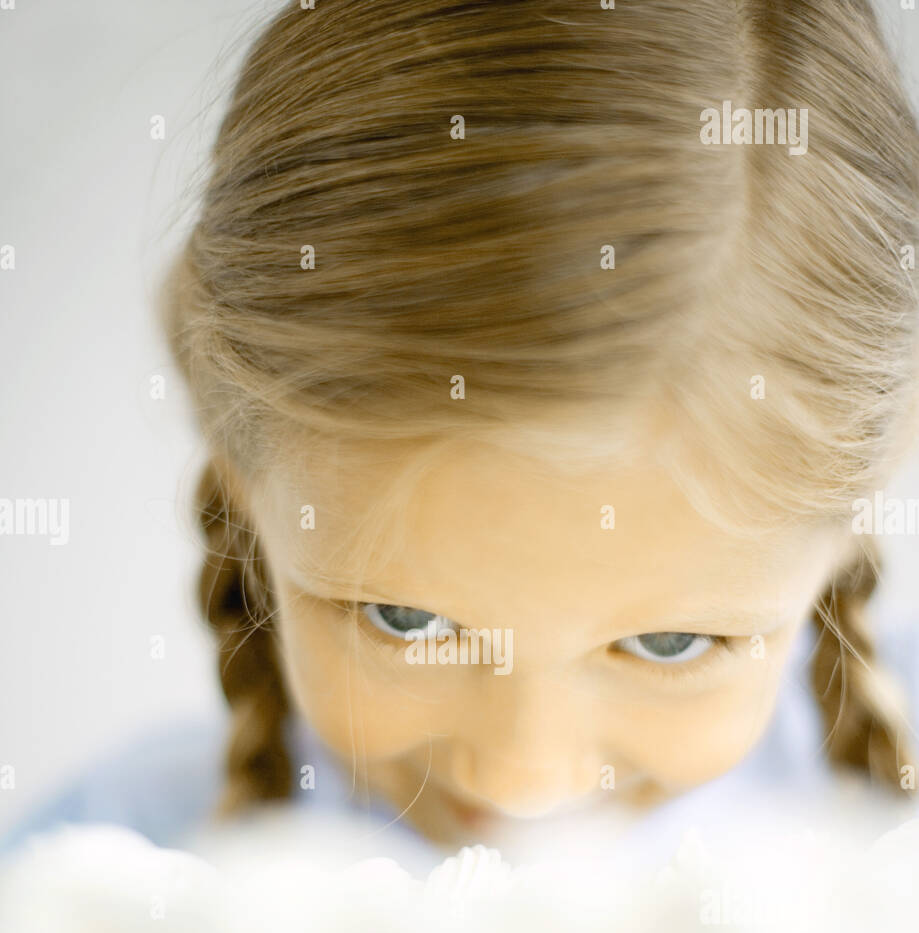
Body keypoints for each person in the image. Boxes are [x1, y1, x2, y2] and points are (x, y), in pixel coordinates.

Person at [4, 0, 919, 866]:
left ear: (849, 520)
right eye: (407, 623)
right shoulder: (93, 877)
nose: (521, 780)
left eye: (669, 645)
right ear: (245, 483)